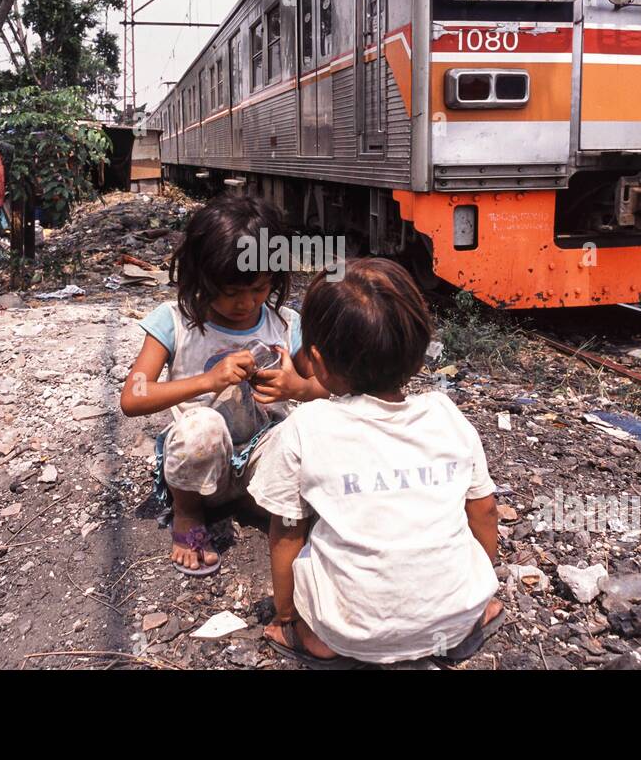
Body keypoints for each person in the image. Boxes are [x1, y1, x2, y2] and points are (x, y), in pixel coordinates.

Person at [248, 259, 504, 667]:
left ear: (318, 361)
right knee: (472, 596)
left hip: (349, 632)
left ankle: (316, 640)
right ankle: (473, 614)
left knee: (314, 618)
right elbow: (485, 510)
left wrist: (286, 616)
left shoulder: (306, 425)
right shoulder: (445, 414)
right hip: (457, 616)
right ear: (419, 355)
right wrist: (479, 587)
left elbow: (286, 534)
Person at [120, 194, 329, 575]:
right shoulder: (174, 321)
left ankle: (255, 502)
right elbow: (132, 398)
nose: (246, 303)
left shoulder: (284, 323)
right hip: (201, 468)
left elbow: (327, 387)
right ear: (200, 277)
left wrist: (295, 388)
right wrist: (207, 381)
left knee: (304, 427)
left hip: (264, 464)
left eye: (260, 289)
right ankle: (188, 511)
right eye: (231, 292)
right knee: (201, 426)